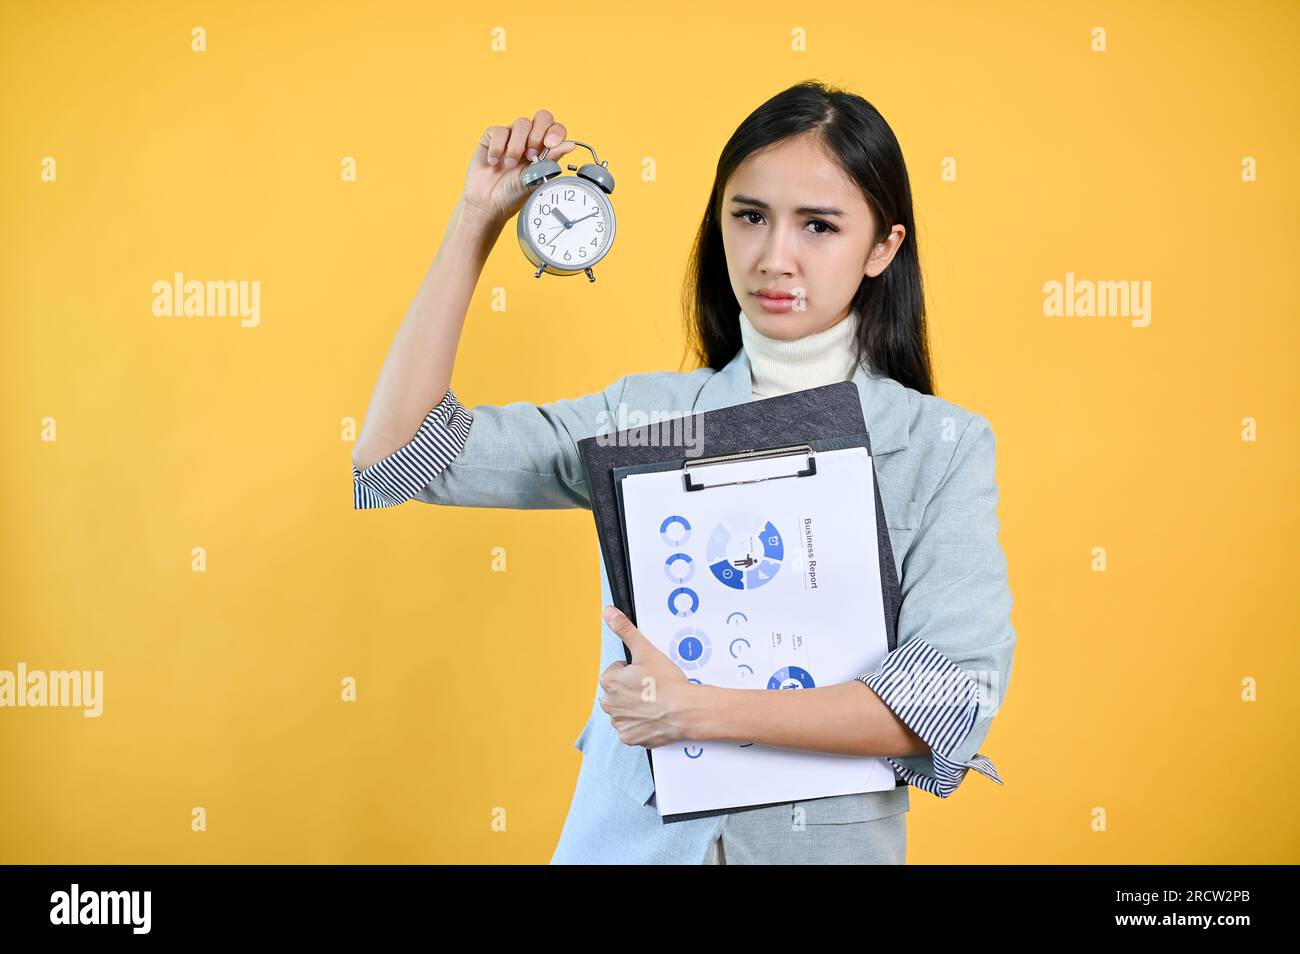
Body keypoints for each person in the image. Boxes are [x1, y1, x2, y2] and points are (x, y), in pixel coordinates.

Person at [351, 81, 1016, 864]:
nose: (775, 258)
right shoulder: (644, 417)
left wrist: (697, 712)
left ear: (882, 247)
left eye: (820, 226)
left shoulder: (942, 446)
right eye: (750, 216)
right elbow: (402, 456)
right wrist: (475, 221)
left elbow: (942, 701)